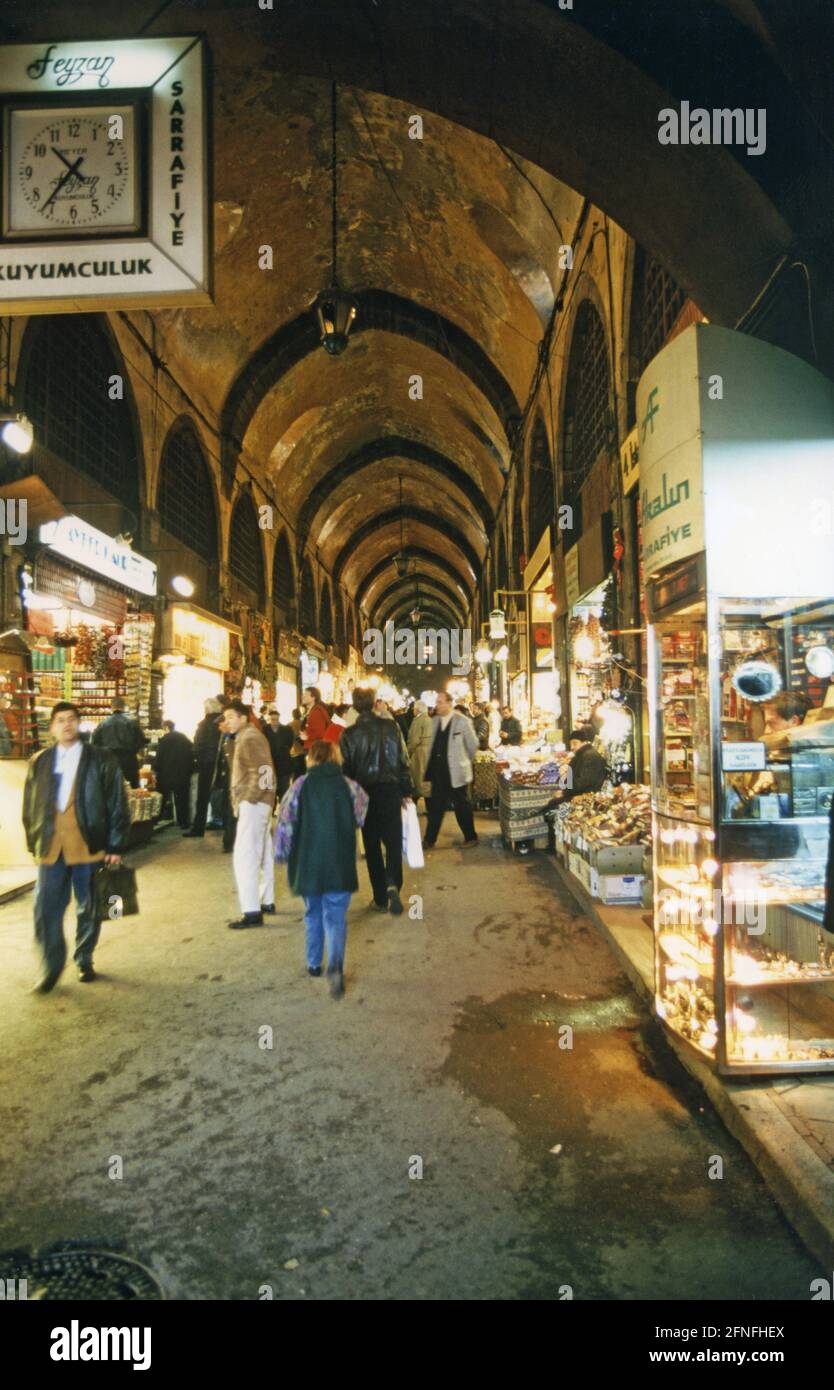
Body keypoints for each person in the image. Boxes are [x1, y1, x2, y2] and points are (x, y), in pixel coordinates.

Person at [22, 701, 129, 992]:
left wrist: (115, 844)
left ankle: (84, 957)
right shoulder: (40, 761)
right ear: (52, 727)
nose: (66, 724)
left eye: (71, 719)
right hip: (51, 848)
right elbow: (30, 806)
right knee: (45, 909)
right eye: (60, 720)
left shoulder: (101, 759)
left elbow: (117, 802)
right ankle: (51, 966)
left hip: (88, 845)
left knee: (90, 906)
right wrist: (34, 842)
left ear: (79, 724)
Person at [275, 740, 369, 998]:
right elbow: (361, 815)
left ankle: (314, 963)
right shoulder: (350, 787)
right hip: (339, 862)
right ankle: (336, 965)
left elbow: (285, 823)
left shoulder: (299, 786)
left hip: (308, 863)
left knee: (312, 912)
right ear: (336, 758)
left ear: (311, 759)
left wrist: (281, 853)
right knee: (335, 915)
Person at [339, 686, 414, 914]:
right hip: (390, 791)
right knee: (392, 842)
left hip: (364, 793)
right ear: (374, 704)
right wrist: (407, 790)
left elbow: (346, 771)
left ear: (354, 706)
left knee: (371, 846)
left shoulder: (349, 735)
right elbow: (403, 760)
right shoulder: (391, 728)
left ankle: (380, 897)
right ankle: (393, 883)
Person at [222, 700, 276, 928]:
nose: (227, 722)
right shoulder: (245, 737)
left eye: (231, 717)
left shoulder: (250, 737)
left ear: (243, 717)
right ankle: (266, 900)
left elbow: (264, 771)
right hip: (259, 803)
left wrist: (249, 798)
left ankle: (252, 912)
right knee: (263, 854)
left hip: (254, 804)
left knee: (245, 857)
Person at [423, 689, 479, 849]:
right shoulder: (435, 721)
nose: (437, 706)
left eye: (440, 702)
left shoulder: (462, 721)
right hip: (438, 772)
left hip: (456, 771)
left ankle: (471, 837)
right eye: (437, 702)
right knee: (435, 807)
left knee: (462, 806)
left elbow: (472, 744)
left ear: (449, 703)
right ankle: (429, 840)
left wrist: (463, 761)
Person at [184, 698, 223, 836]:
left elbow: (198, 745)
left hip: (206, 764)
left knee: (202, 798)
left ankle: (198, 828)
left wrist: (196, 760)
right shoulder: (223, 724)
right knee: (222, 794)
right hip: (222, 764)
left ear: (207, 709)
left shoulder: (204, 724)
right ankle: (225, 825)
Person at [91, 695, 146, 787]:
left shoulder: (103, 724)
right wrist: (132, 751)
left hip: (109, 762)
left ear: (111, 707)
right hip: (129, 762)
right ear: (124, 707)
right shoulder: (131, 723)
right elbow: (141, 741)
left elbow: (94, 744)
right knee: (132, 792)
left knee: (111, 790)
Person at [154, 720, 194, 829]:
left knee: (162, 796)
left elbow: (159, 758)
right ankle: (183, 821)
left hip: (165, 774)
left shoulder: (164, 741)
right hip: (182, 773)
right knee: (182, 798)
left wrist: (156, 769)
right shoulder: (184, 738)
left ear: (166, 728)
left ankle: (156, 819)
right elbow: (192, 753)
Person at [557, 726, 608, 803]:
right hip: (577, 794)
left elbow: (581, 783)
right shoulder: (582, 755)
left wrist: (564, 793)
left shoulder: (589, 756)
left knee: (552, 807)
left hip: (584, 797)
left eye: (575, 743)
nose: (572, 747)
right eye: (570, 744)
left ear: (584, 742)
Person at [407, 700, 434, 806]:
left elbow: (414, 739)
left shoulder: (418, 720)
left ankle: (413, 804)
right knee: (427, 780)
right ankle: (430, 805)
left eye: (414, 708)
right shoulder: (429, 719)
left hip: (419, 753)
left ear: (417, 709)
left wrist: (409, 751)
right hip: (429, 751)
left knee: (417, 778)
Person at [263, 707, 294, 798]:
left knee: (284, 790)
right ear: (269, 719)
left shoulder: (287, 730)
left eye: (276, 719)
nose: (274, 722)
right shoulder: (264, 730)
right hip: (269, 764)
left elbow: (289, 744)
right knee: (269, 792)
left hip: (283, 764)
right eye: (272, 719)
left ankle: (283, 810)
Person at [301, 686, 330, 751]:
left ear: (313, 698)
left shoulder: (316, 712)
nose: (302, 696)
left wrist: (307, 737)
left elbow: (320, 733)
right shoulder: (312, 711)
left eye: (305, 695)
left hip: (315, 750)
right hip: (313, 748)